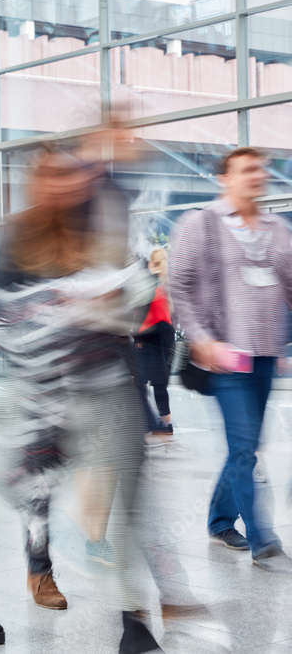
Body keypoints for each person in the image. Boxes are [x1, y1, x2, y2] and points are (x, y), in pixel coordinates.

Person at [0, 149, 161, 652]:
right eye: (54, 176)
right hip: (40, 391)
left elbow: (133, 289)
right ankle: (40, 568)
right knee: (37, 495)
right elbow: (1, 317)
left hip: (101, 383)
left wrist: (111, 304)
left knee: (116, 499)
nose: (68, 186)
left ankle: (131, 619)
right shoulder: (14, 238)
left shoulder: (95, 230)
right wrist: (65, 308)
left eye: (74, 176)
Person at [171, 147, 292, 573]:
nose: (256, 175)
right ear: (225, 178)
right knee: (244, 446)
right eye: (246, 169)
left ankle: (220, 520)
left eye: (260, 169)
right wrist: (202, 339)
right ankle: (265, 540)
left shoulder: (278, 229)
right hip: (224, 357)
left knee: (246, 447)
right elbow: (179, 286)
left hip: (263, 357)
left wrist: (285, 347)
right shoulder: (201, 224)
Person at [135, 247, 174, 437]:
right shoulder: (165, 285)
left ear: (152, 263)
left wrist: (137, 337)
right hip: (164, 336)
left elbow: (144, 317)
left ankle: (149, 422)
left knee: (139, 383)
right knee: (159, 384)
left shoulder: (151, 286)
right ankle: (165, 423)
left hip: (149, 338)